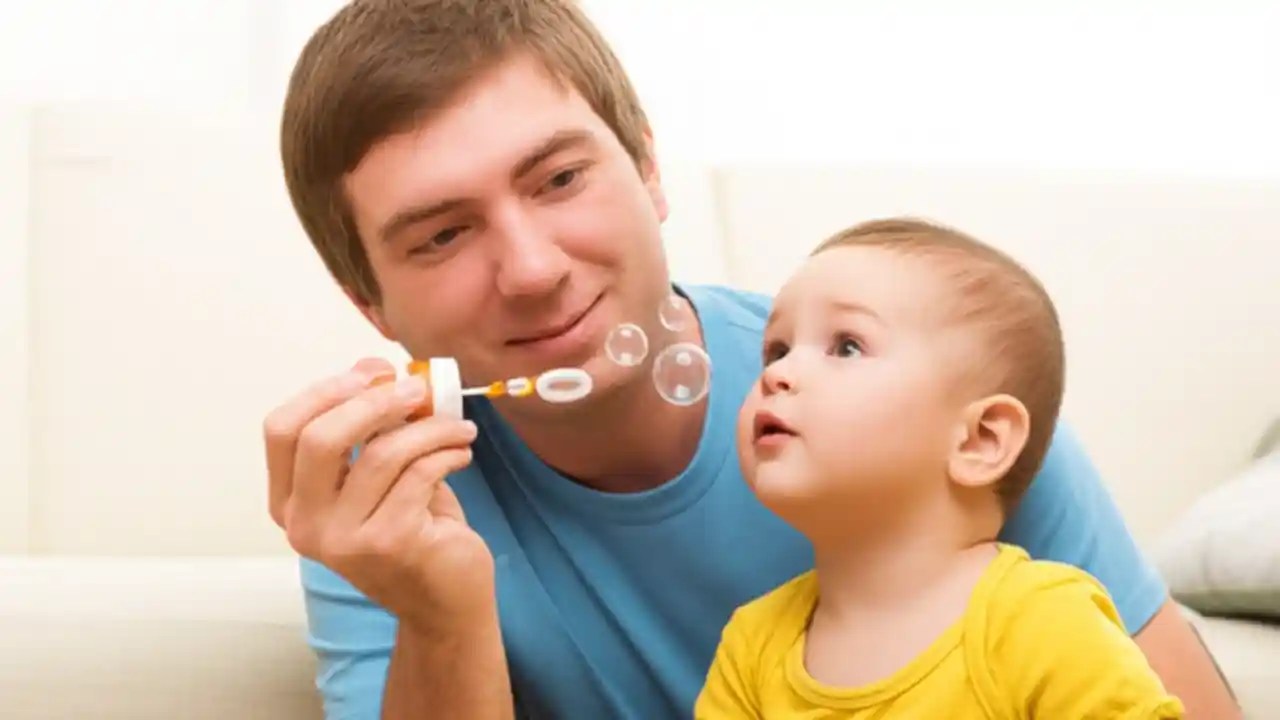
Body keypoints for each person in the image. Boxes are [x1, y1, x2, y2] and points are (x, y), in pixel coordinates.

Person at [263, 1, 1240, 718]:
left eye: (559, 178)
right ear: (370, 306)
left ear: (648, 171)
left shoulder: (927, 390)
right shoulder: (389, 514)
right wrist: (440, 618)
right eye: (439, 236)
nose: (529, 269)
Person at [694, 218, 1185, 718]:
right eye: (776, 350)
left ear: (979, 440)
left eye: (846, 346)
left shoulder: (1043, 623)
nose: (777, 374)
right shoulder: (751, 647)